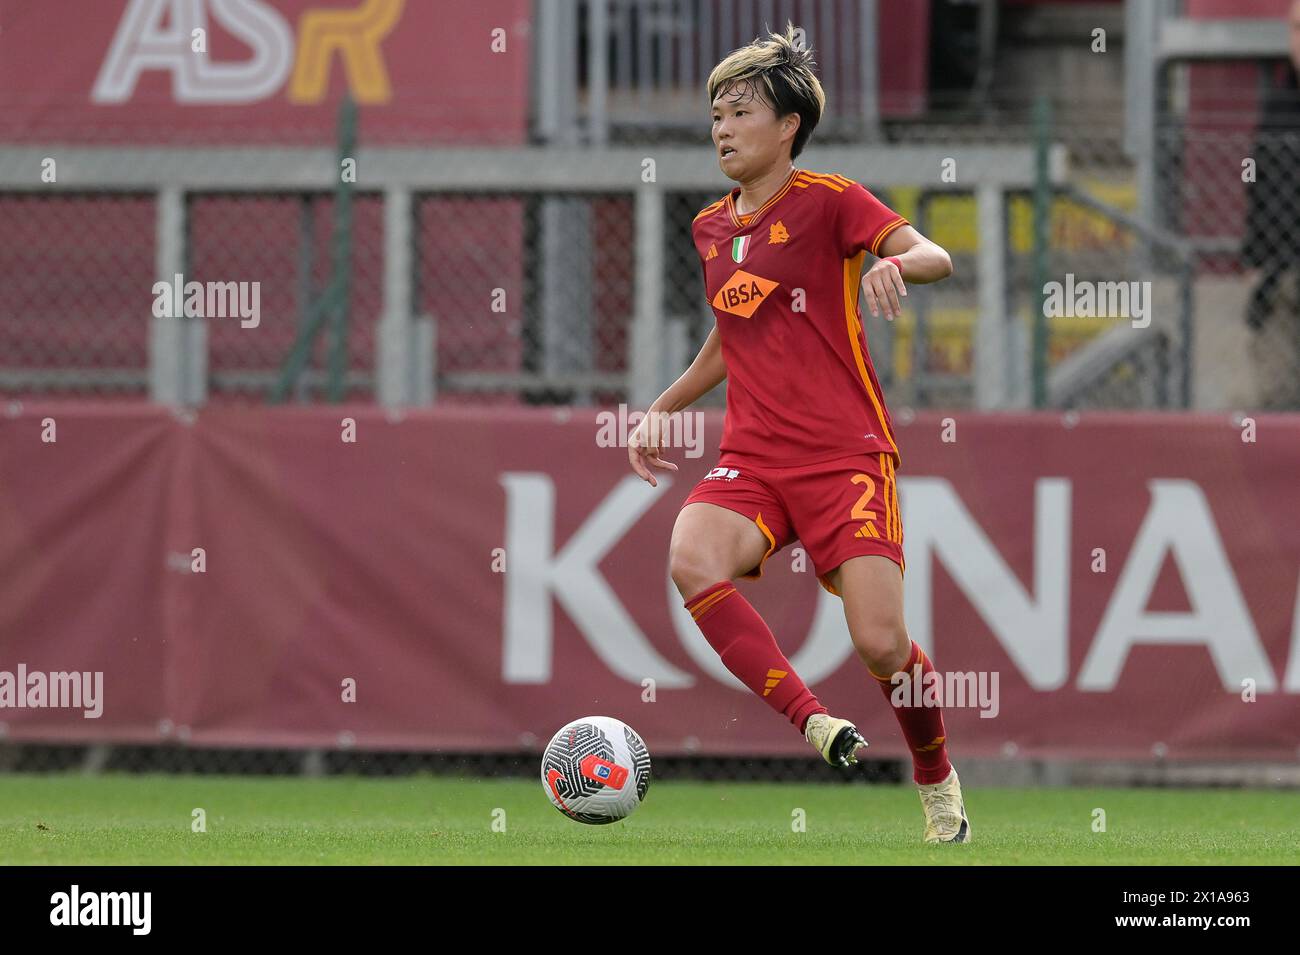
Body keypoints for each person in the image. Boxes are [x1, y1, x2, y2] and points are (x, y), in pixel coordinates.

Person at [627, 26, 967, 843]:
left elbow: (937, 255)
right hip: (752, 456)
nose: (721, 127)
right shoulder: (712, 226)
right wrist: (666, 404)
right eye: (715, 113)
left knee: (884, 647)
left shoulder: (832, 199)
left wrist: (894, 264)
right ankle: (815, 722)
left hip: (845, 453)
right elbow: (729, 333)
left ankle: (936, 780)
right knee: (690, 555)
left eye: (739, 111)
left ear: (787, 126)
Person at [1241, 0, 1300, 408]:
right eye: (1296, 30)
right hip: (1283, 281)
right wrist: (1254, 259)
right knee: (1276, 404)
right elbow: (1256, 182)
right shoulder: (1278, 106)